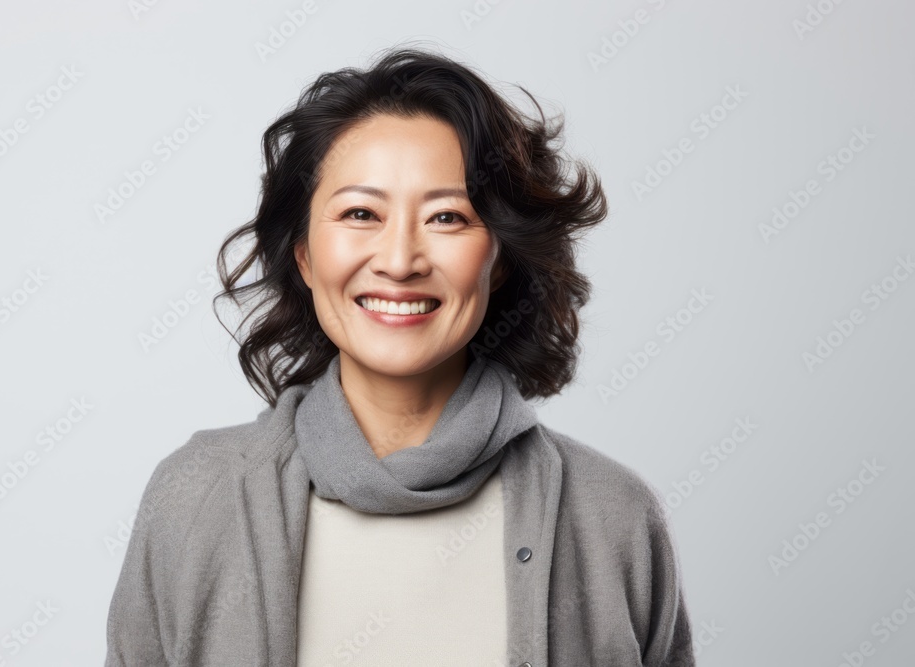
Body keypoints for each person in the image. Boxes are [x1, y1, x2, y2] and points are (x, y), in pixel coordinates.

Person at [105, 44, 695, 666]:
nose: (398, 260)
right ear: (304, 255)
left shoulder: (614, 517)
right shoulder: (196, 497)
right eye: (361, 213)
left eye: (447, 218)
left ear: (497, 261)